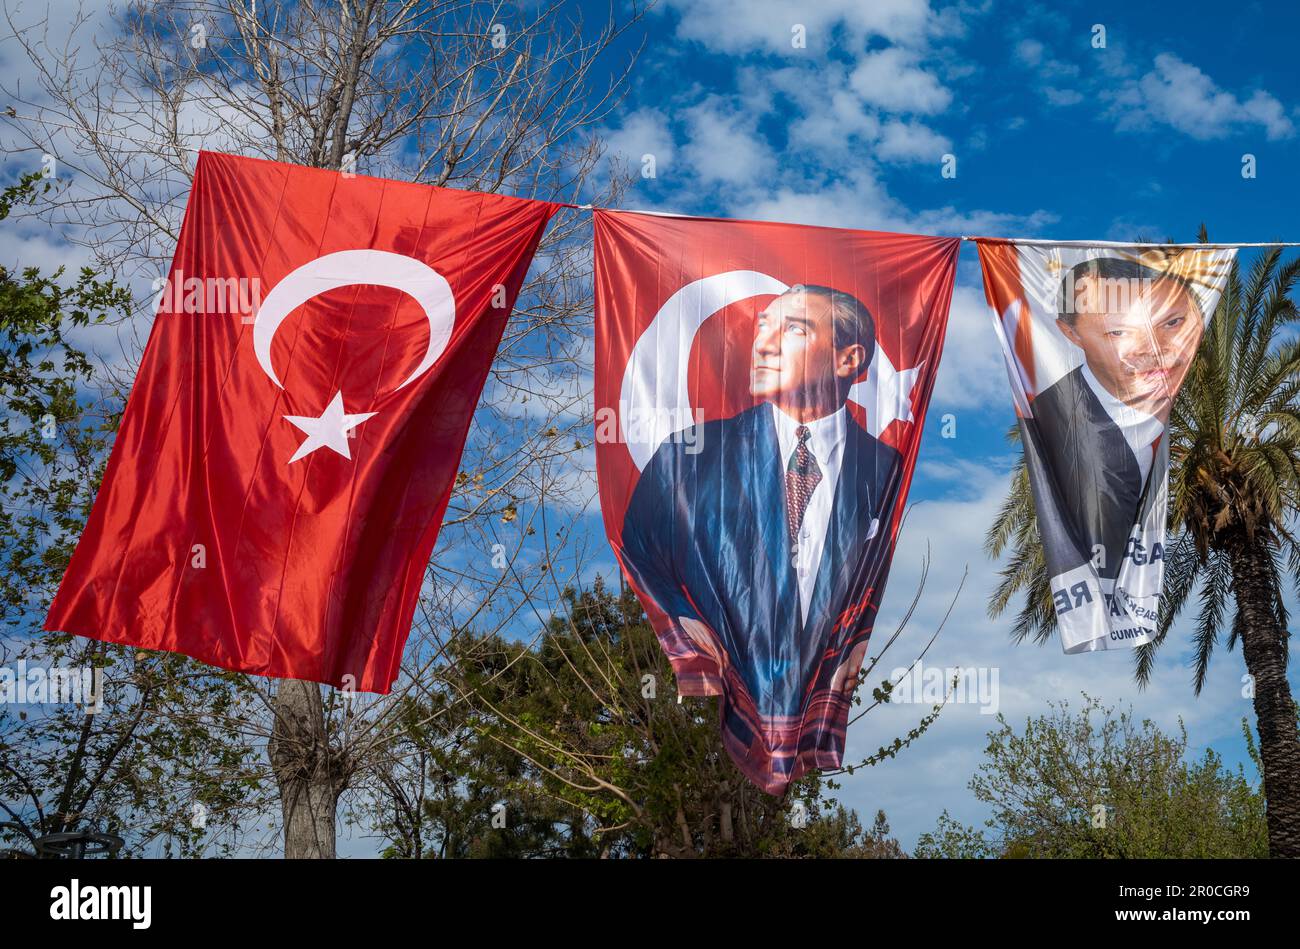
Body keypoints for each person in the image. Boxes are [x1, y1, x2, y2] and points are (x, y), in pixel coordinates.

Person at [619, 284, 900, 723]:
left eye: (794, 330)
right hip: (707, 708)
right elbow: (635, 545)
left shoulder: (886, 471)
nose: (763, 346)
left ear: (849, 359)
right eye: (763, 327)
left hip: (812, 710)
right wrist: (677, 614)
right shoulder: (688, 458)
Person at [1025, 257, 1205, 580]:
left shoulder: (1202, 390)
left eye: (1171, 323)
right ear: (1070, 333)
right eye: (1119, 332)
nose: (1154, 349)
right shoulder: (1051, 421)